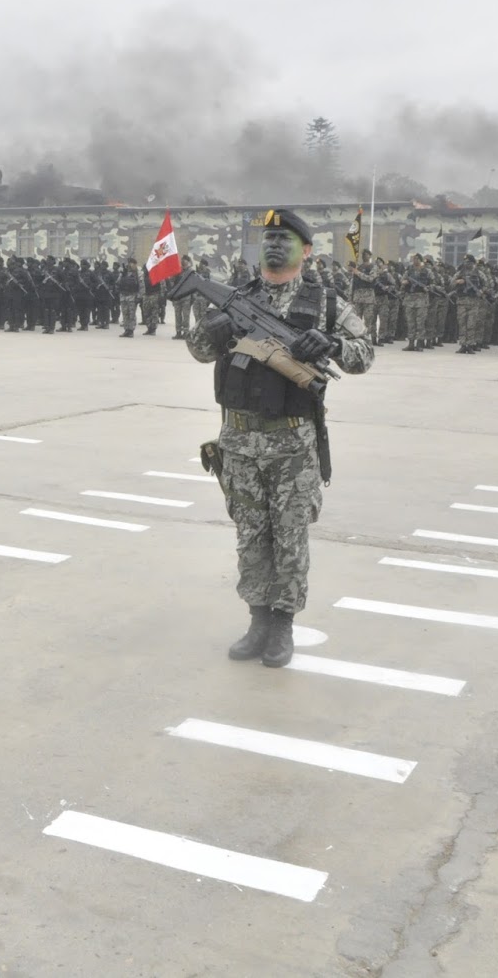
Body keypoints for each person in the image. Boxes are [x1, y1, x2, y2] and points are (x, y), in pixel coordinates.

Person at [181, 209, 374, 668]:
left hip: (292, 445)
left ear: (306, 250)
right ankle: (257, 621)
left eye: (284, 238)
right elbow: (198, 349)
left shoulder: (326, 303)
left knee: (289, 537)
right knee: (251, 536)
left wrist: (329, 345)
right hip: (239, 441)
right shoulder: (234, 297)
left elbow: (364, 355)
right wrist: (214, 329)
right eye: (267, 238)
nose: (273, 244)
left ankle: (282, 626)